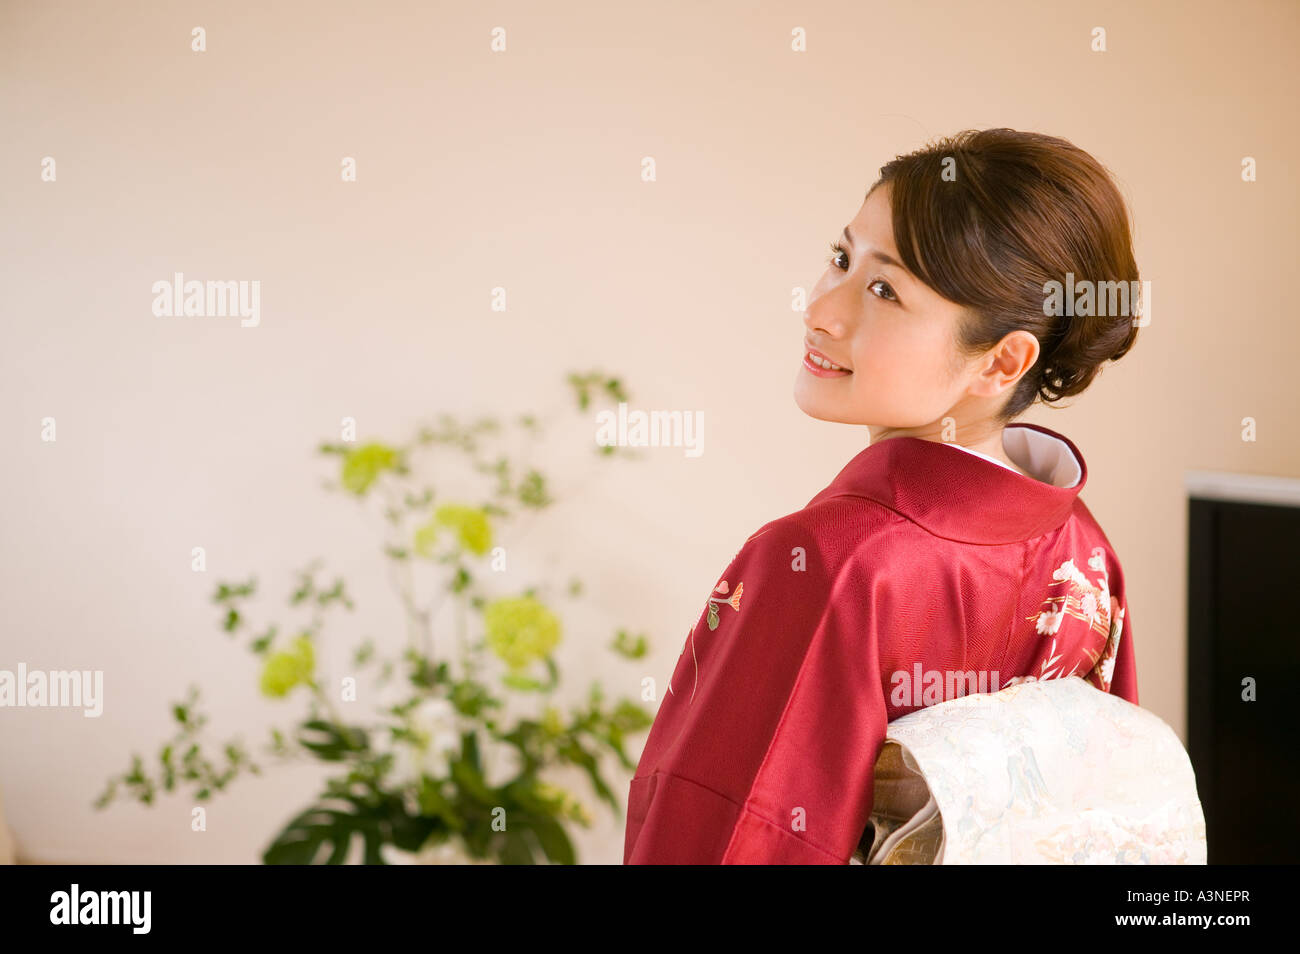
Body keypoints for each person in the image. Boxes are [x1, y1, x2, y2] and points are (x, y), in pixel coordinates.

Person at [623, 128, 1142, 865]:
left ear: (1001, 361)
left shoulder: (828, 563)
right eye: (841, 258)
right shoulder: (1087, 556)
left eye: (883, 290)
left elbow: (730, 832)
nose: (821, 310)